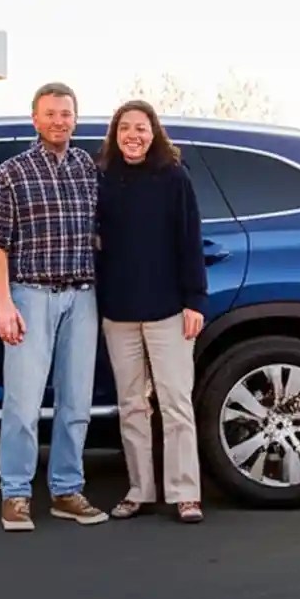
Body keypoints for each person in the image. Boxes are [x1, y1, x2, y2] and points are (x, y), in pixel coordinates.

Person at [0, 82, 108, 532]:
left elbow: (104, 236)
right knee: (23, 404)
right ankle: (15, 494)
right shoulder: (11, 173)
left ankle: (67, 490)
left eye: (66, 113)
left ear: (76, 118)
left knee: (76, 402)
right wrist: (4, 305)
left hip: (84, 296)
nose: (59, 121)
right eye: (50, 113)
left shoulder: (90, 170)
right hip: (30, 296)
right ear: (35, 119)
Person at [95, 99, 207, 524]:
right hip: (118, 312)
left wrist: (195, 300)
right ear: (115, 133)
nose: (133, 136)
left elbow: (190, 241)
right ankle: (139, 490)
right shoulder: (102, 178)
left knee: (176, 404)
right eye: (125, 128)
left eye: (141, 128)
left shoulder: (173, 178)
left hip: (168, 312)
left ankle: (186, 493)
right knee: (131, 406)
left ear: (154, 133)